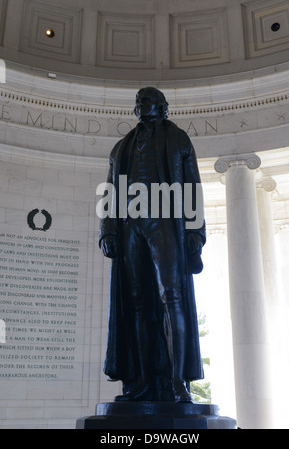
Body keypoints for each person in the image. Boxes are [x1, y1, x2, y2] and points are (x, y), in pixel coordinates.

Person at [99, 87, 206, 403]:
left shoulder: (178, 139)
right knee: (138, 303)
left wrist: (194, 233)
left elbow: (193, 186)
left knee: (171, 296)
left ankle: (177, 381)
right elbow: (109, 192)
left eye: (145, 101)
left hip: (164, 220)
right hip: (131, 222)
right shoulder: (122, 147)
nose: (139, 106)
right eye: (137, 102)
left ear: (162, 107)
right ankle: (144, 381)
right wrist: (108, 231)